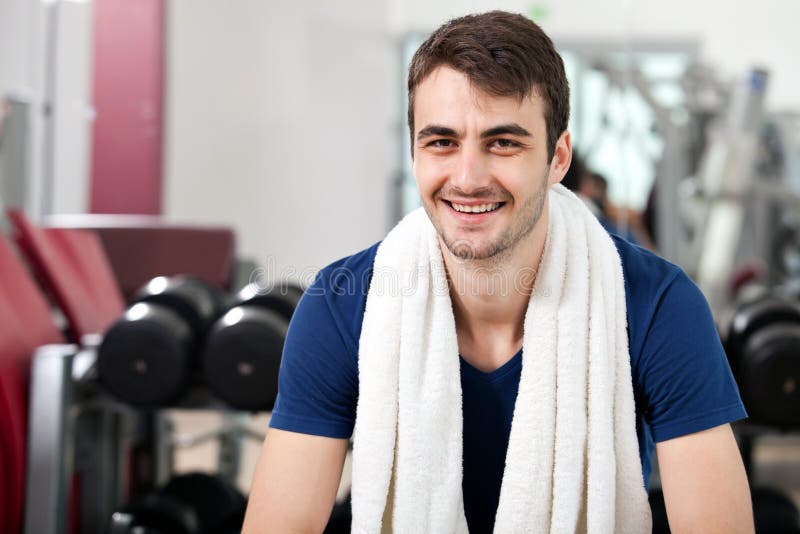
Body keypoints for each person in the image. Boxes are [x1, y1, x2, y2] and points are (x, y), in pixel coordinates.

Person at [242, 11, 753, 533]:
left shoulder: (658, 305)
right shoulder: (341, 305)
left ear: (558, 159)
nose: (468, 178)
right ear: (414, 152)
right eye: (442, 141)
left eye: (503, 142)